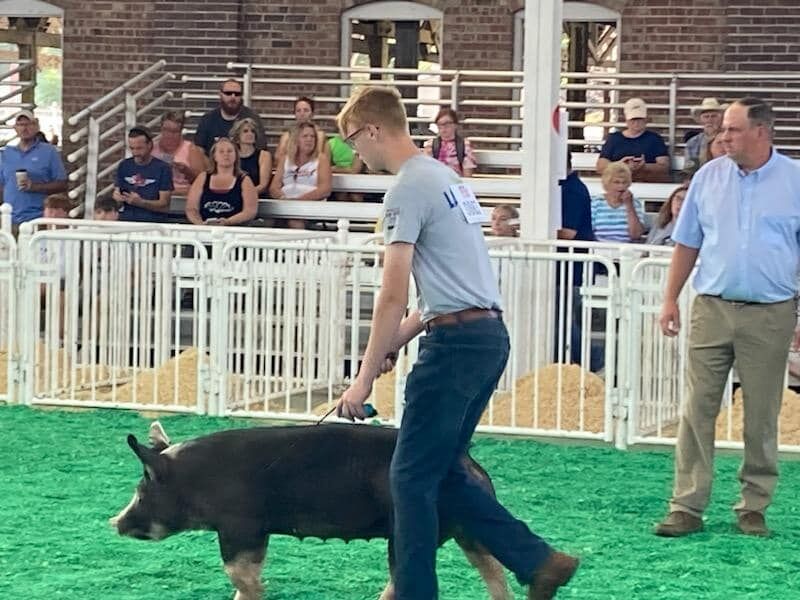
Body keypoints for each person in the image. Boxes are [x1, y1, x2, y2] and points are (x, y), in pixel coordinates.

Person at [334, 85, 579, 600]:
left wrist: (361, 379)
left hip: (456, 346)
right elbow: (444, 289)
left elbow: (392, 291)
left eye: (355, 140)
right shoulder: (448, 180)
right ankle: (538, 560)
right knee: (439, 469)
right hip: (484, 335)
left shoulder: (406, 188)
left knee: (411, 477)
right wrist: (396, 341)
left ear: (373, 129)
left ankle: (414, 591)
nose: (357, 153)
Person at [654, 98, 800, 538]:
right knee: (697, 407)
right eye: (722, 130)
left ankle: (753, 505)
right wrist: (670, 299)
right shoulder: (707, 177)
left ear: (761, 131)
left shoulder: (795, 179)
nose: (722, 137)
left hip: (772, 311)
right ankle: (687, 505)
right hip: (711, 307)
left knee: (762, 411)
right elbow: (687, 244)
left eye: (733, 129)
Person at [557, 152, 596, 368]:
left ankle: (594, 358)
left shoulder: (573, 191)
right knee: (562, 318)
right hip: (568, 266)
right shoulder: (570, 188)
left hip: (570, 267)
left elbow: (568, 233)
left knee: (562, 319)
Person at [0, 110, 67, 232]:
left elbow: (62, 183)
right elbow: (1, 185)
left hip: (38, 219)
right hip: (9, 219)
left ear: (36, 126)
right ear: (15, 128)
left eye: (28, 124)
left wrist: (35, 186)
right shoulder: (6, 153)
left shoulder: (49, 151)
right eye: (20, 125)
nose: (24, 128)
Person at [269, 122, 331, 229]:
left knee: (295, 220)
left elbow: (325, 189)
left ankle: (297, 245)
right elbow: (274, 187)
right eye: (305, 136)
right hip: (286, 205)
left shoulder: (321, 159)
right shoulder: (285, 159)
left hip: (310, 205)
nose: (309, 139)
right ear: (296, 139)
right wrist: (283, 198)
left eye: (312, 136)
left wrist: (299, 201)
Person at [185, 137, 258, 226]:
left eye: (230, 151)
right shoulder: (203, 177)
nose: (226, 154)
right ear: (214, 156)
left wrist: (228, 222)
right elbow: (191, 208)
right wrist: (200, 224)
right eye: (221, 151)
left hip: (234, 231)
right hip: (205, 230)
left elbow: (250, 211)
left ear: (236, 155)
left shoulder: (244, 180)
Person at [596, 98, 670, 183]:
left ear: (646, 119)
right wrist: (620, 165)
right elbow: (600, 167)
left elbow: (664, 167)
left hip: (646, 183)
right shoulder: (614, 139)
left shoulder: (655, 139)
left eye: (640, 119)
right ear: (626, 120)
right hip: (618, 183)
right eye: (633, 119)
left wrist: (645, 166)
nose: (636, 122)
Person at [112, 126, 173, 222]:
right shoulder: (124, 165)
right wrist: (117, 199)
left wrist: (141, 203)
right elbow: (117, 196)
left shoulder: (163, 168)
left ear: (150, 145)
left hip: (153, 222)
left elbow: (164, 205)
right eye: (132, 148)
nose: (135, 152)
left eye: (139, 148)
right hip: (127, 220)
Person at [194, 79, 266, 154]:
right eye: (228, 93)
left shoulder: (252, 118)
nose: (233, 97)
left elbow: (262, 151)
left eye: (237, 94)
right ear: (220, 94)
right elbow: (199, 151)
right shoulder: (208, 119)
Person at [590, 160, 647, 243]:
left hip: (626, 249)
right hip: (600, 248)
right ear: (607, 183)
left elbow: (636, 235)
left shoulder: (635, 203)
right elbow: (590, 232)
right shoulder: (596, 202)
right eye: (616, 182)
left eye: (624, 182)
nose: (621, 186)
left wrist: (629, 205)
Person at [151, 111, 206, 195]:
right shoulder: (152, 149)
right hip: (155, 195)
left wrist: (186, 171)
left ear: (180, 131)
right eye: (166, 130)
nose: (170, 135)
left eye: (174, 131)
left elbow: (202, 181)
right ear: (161, 129)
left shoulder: (191, 149)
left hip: (182, 195)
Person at [422, 107, 478, 177]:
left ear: (455, 125)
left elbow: (468, 176)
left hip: (455, 184)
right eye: (440, 125)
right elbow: (425, 170)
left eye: (447, 124)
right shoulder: (431, 145)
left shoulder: (464, 145)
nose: (443, 128)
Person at [274, 96, 328, 166]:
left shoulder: (319, 135)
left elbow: (318, 158)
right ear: (295, 114)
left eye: (306, 110)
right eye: (298, 111)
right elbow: (278, 159)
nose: (302, 114)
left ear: (312, 114)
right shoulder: (287, 135)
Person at [229, 117, 272, 198]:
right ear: (237, 137)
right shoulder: (232, 156)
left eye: (252, 131)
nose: (250, 133)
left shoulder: (264, 155)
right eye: (245, 131)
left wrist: (244, 195)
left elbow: (263, 185)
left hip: (257, 197)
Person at [684, 97, 726, 173]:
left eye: (714, 116)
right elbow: (689, 169)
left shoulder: (728, 139)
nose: (710, 120)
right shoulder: (693, 142)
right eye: (706, 117)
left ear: (721, 119)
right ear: (701, 120)